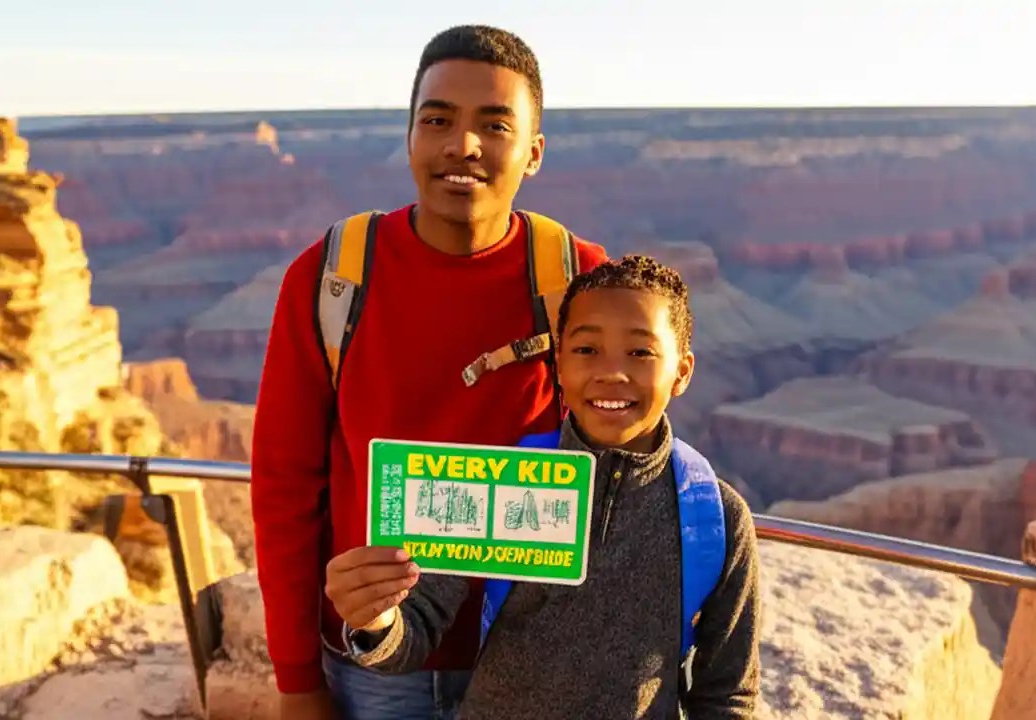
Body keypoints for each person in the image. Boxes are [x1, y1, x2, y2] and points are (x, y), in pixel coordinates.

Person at [250, 24, 610, 720]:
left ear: (533, 152)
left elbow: (629, 468)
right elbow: (285, 486)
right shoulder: (330, 277)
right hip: (375, 663)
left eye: (494, 125)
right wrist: (296, 680)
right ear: (411, 136)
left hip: (530, 659)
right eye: (438, 120)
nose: (462, 146)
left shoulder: (578, 279)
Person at [324, 255, 762, 719]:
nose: (612, 372)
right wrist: (376, 618)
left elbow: (726, 695)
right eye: (587, 350)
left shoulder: (715, 518)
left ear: (683, 371)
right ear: (558, 365)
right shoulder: (499, 483)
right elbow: (414, 635)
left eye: (641, 352)